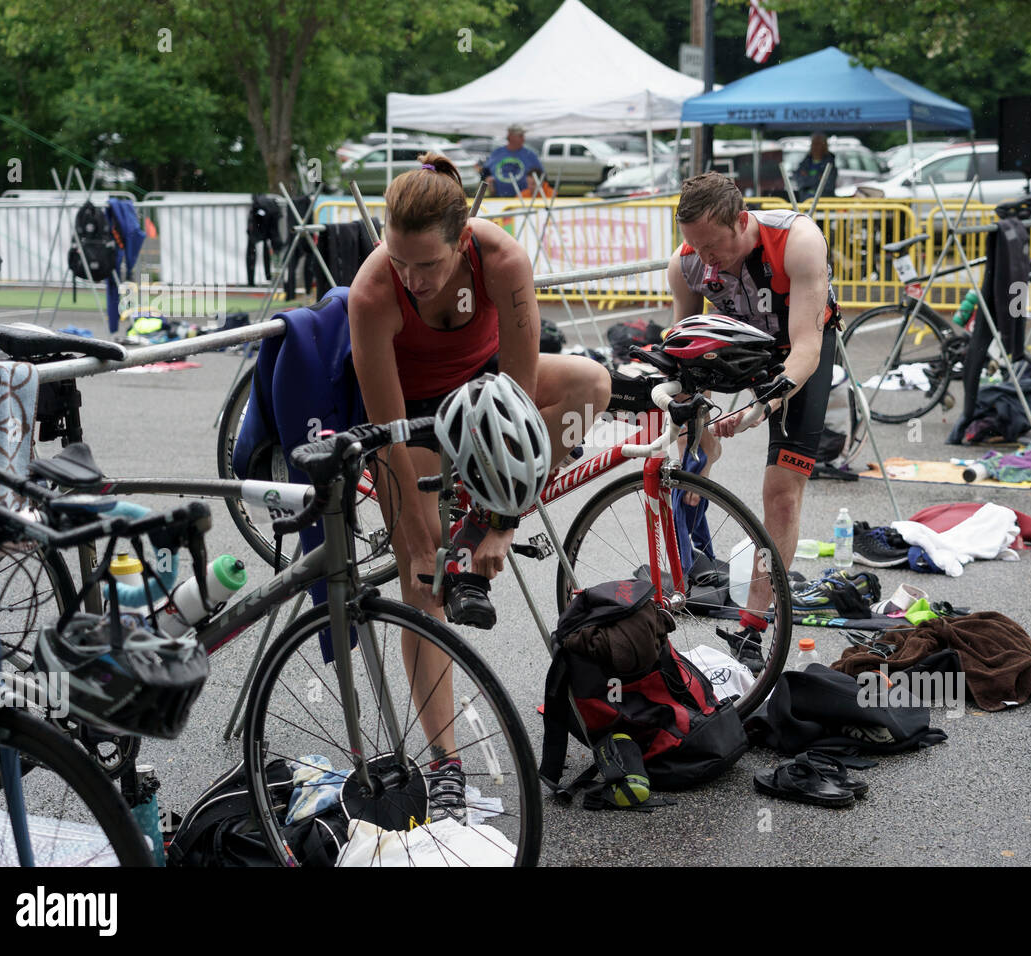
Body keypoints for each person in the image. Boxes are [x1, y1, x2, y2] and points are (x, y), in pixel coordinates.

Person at [349, 153, 609, 819]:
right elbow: (386, 433)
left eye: (428, 267)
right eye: (398, 261)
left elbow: (518, 414)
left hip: (488, 396)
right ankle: (445, 762)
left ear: (462, 242)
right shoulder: (374, 294)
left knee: (589, 383)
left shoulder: (502, 260)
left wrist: (501, 518)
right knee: (420, 582)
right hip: (410, 419)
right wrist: (421, 547)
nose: (413, 279)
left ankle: (477, 525)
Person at [667, 171, 840, 672]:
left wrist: (760, 408)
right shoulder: (686, 265)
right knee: (686, 433)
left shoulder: (798, 240)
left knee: (780, 493)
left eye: (713, 246)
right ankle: (706, 447)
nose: (704, 259)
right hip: (739, 347)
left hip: (798, 346)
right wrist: (689, 423)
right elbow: (683, 351)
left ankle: (753, 626)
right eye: (693, 246)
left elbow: (807, 348)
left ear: (742, 221)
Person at [480, 124, 546, 198]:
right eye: (520, 136)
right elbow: (485, 172)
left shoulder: (530, 154)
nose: (523, 139)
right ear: (511, 137)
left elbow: (541, 175)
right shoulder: (497, 153)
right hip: (499, 198)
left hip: (524, 198)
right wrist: (488, 180)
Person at [793, 133, 836, 201]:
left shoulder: (830, 163)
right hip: (805, 201)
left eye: (818, 144)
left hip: (823, 203)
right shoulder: (805, 162)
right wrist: (817, 178)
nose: (815, 147)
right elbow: (798, 180)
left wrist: (807, 180)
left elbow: (827, 185)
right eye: (814, 144)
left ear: (824, 146)